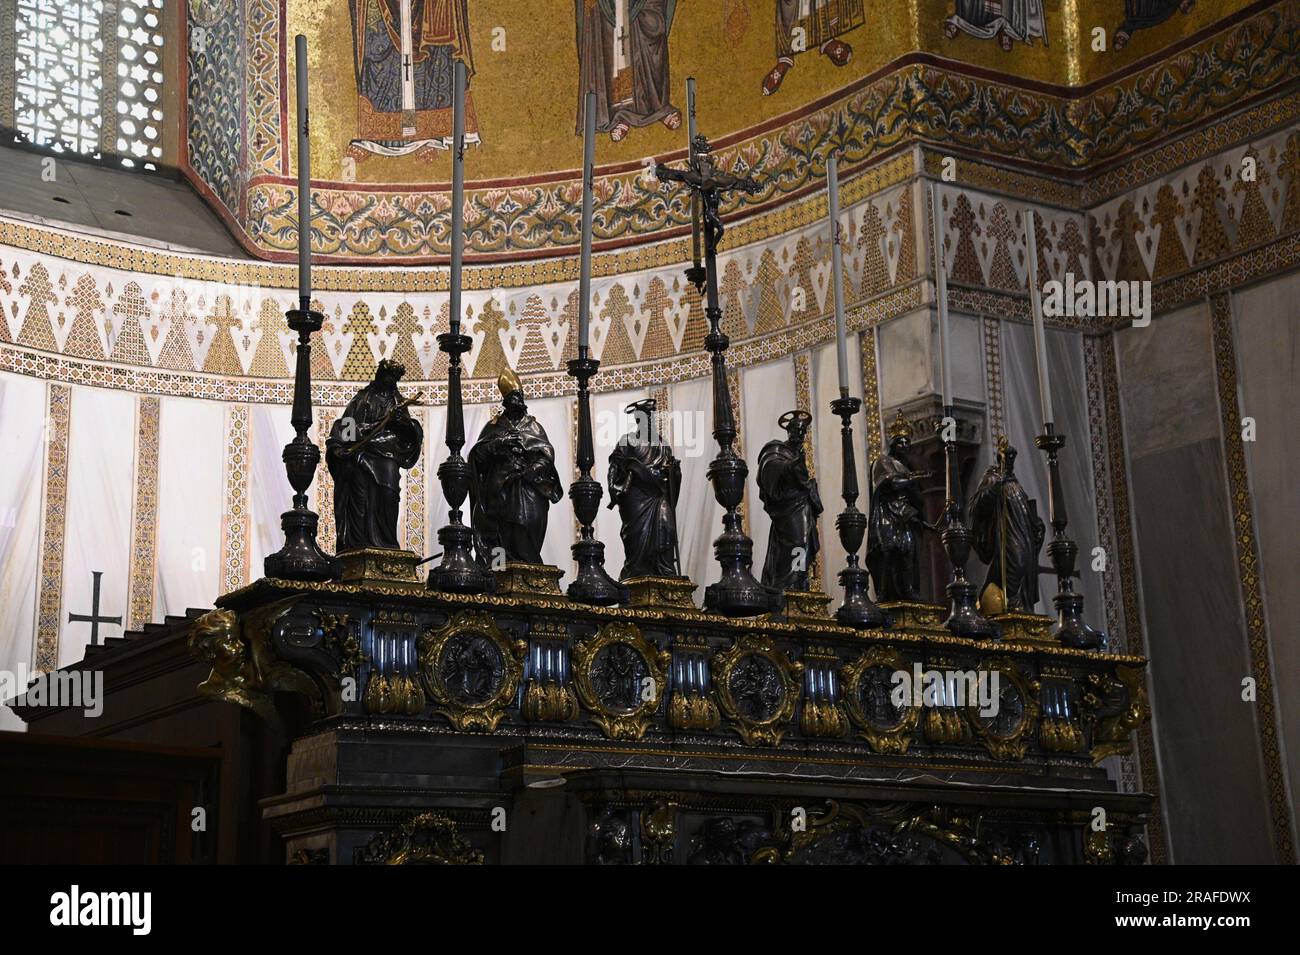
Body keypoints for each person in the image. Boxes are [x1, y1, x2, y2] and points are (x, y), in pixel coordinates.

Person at [468, 368, 563, 565]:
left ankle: (528, 570)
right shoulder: (494, 427)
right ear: (506, 403)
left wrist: (533, 469)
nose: (517, 402)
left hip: (527, 491)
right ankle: (498, 571)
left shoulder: (533, 427)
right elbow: (477, 456)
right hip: (499, 492)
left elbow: (546, 456)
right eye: (512, 398)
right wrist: (498, 443)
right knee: (498, 537)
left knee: (525, 530)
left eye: (519, 397)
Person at [327, 360, 423, 551]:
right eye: (387, 376)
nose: (389, 381)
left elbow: (409, 436)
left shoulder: (398, 403)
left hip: (387, 455)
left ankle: (387, 544)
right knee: (360, 501)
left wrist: (402, 423)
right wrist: (369, 428)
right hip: (362, 457)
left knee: (389, 495)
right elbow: (346, 433)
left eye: (393, 378)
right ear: (380, 375)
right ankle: (358, 548)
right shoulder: (362, 399)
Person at [969, 435, 1046, 612]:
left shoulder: (1014, 481)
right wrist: (996, 485)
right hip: (1008, 534)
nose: (1011, 461)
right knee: (1016, 563)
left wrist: (1037, 525)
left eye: (1013, 458)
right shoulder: (992, 477)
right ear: (1000, 458)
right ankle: (1012, 603)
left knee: (1025, 565)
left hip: (1024, 533)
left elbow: (1025, 508)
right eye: (1008, 458)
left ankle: (1021, 605)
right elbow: (978, 505)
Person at [607, 398, 682, 578]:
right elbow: (614, 468)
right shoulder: (628, 441)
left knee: (667, 526)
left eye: (651, 417)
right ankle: (637, 572)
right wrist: (616, 488)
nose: (649, 421)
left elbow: (671, 473)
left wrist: (673, 471)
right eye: (645, 417)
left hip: (657, 496)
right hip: (635, 496)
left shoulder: (663, 445)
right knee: (636, 536)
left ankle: (664, 571)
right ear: (638, 420)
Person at [867, 412, 930, 601]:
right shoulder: (883, 461)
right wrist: (911, 480)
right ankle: (885, 594)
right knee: (888, 553)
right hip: (887, 515)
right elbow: (888, 483)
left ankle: (909, 591)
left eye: (907, 443)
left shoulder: (906, 467)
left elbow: (917, 498)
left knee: (908, 552)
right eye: (901, 442)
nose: (905, 446)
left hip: (905, 516)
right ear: (893, 443)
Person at [757, 410, 822, 592]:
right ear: (789, 431)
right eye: (796, 430)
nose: (799, 435)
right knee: (796, 543)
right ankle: (788, 584)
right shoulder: (778, 450)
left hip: (802, 507)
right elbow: (769, 468)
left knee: (803, 544)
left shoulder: (798, 454)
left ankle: (799, 582)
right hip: (787, 509)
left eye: (802, 431)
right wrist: (788, 468)